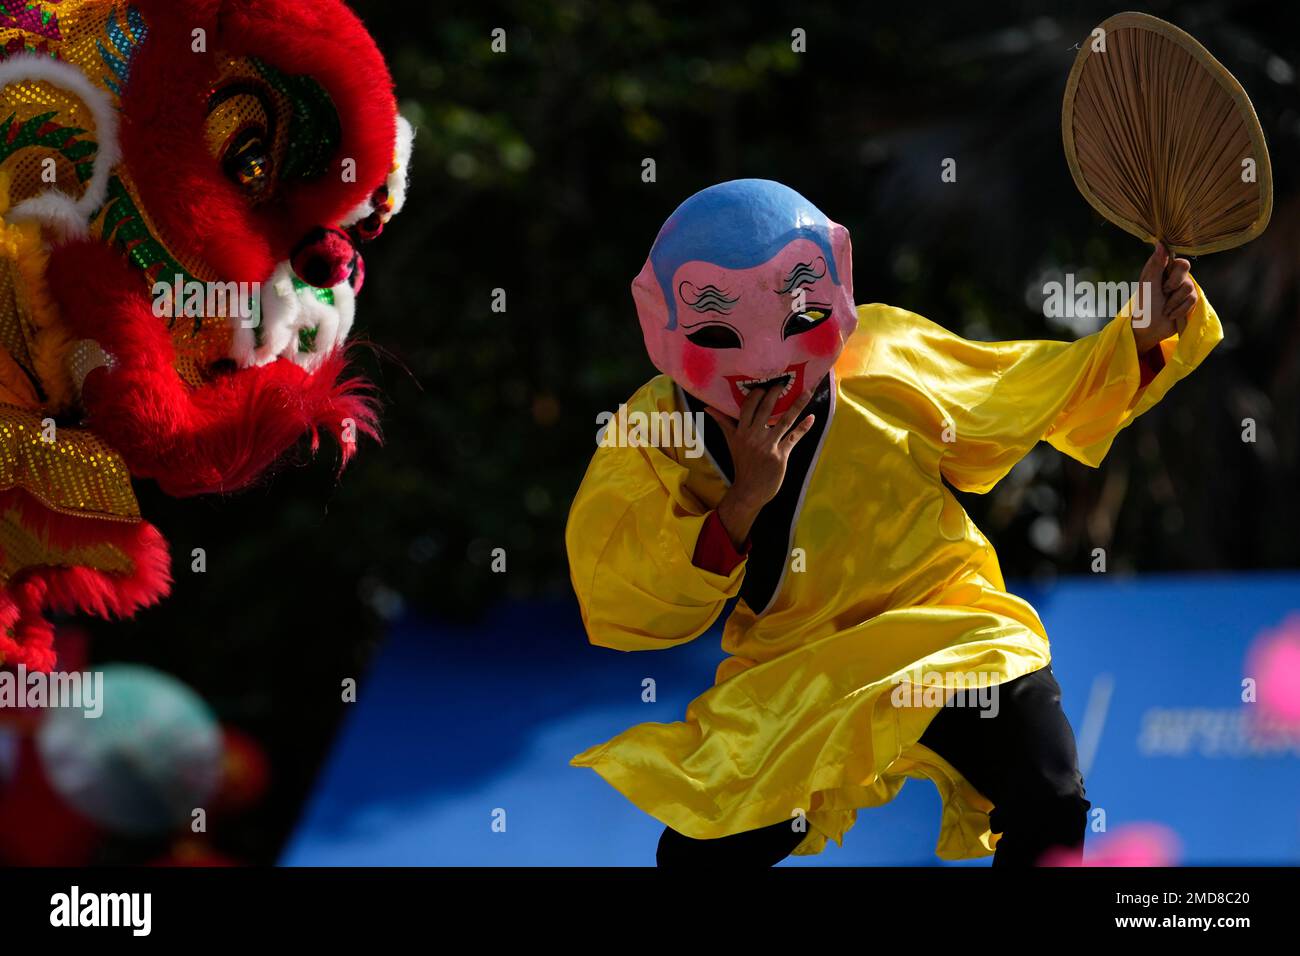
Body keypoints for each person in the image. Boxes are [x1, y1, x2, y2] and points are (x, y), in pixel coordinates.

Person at [567, 179, 1216, 866]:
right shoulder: (652, 433)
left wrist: (1140, 332)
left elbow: (1022, 389)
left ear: (837, 279)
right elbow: (625, 597)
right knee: (699, 857)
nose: (764, 363)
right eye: (718, 333)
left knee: (1050, 797)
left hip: (948, 630)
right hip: (797, 668)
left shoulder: (884, 355)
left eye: (797, 317)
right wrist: (742, 503)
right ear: (657, 320)